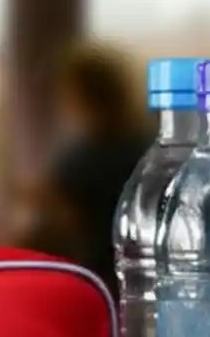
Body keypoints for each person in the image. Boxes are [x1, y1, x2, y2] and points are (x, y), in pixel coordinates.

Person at [28, 43, 151, 296]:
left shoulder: (83, 158)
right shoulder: (148, 147)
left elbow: (65, 221)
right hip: (141, 276)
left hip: (99, 276)